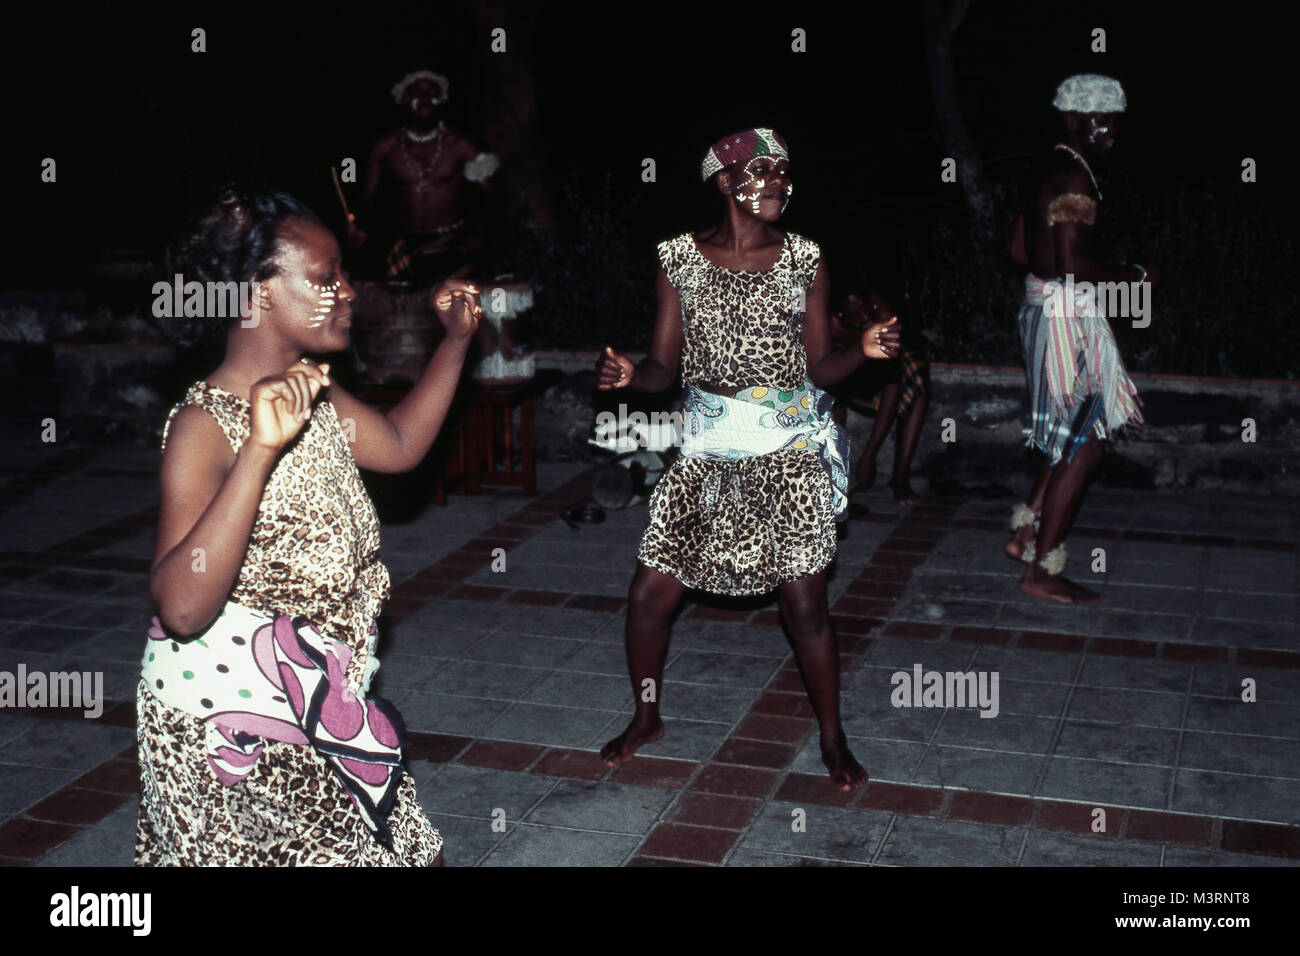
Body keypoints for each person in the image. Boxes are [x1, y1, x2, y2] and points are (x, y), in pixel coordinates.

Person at [138, 184, 482, 865]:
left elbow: (400, 444)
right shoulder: (204, 425)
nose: (349, 291)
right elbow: (180, 604)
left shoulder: (315, 391)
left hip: (324, 702)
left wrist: (457, 341)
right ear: (253, 294)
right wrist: (261, 450)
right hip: (232, 730)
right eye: (325, 278)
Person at [596, 128, 900, 791]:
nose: (784, 182)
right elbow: (661, 368)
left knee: (805, 607)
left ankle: (831, 736)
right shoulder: (678, 259)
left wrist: (865, 353)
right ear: (727, 181)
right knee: (648, 598)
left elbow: (822, 366)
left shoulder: (804, 260)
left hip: (784, 455)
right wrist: (627, 378)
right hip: (705, 457)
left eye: (788, 171)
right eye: (767, 170)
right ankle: (646, 716)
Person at [1005, 74, 1153, 603]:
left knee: (1069, 433)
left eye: (1117, 120)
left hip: (1044, 310)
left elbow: (1022, 252)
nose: (1111, 130)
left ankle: (1026, 531)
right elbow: (1070, 265)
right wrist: (1131, 274)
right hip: (1065, 319)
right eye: (1101, 120)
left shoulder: (1047, 167)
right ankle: (1042, 569)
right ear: (1073, 121)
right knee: (1084, 448)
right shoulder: (1075, 178)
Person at [349, 69, 499, 282]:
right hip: (407, 246)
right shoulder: (385, 148)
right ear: (402, 99)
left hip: (453, 243)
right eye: (416, 92)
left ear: (441, 100)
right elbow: (367, 199)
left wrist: (478, 233)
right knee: (404, 311)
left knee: (456, 311)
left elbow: (491, 195)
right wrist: (359, 228)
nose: (425, 97)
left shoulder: (461, 146)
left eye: (432, 92)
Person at [829, 287, 930, 505]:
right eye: (855, 311)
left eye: (866, 308)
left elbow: (892, 386)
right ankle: (832, 487)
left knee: (915, 372)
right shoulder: (821, 317)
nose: (865, 316)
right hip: (834, 382)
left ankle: (899, 479)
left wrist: (869, 456)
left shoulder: (881, 313)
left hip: (872, 385)